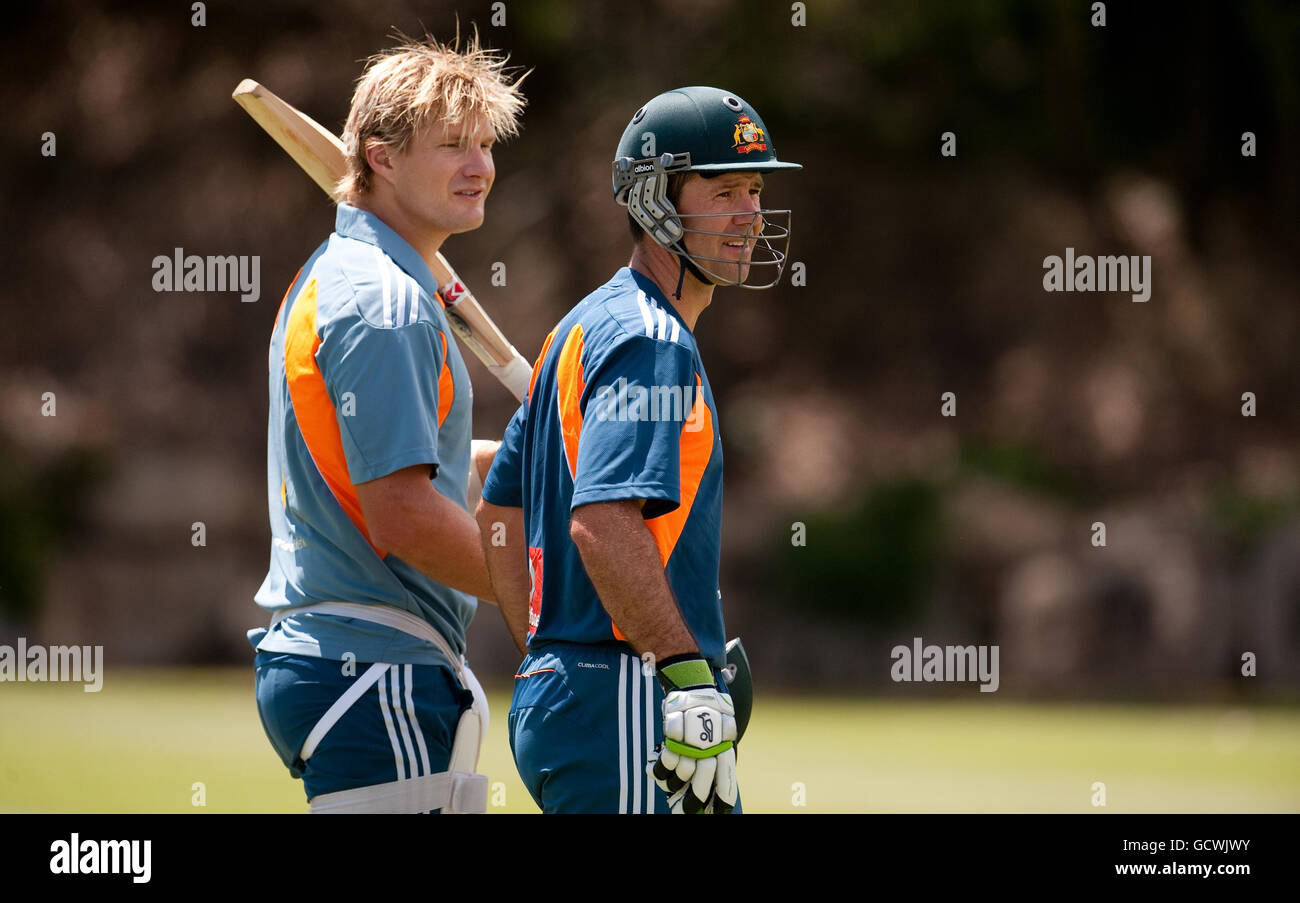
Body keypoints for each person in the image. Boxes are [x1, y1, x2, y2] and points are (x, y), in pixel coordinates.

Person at [476, 86, 799, 814]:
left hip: (588, 695)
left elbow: (500, 511)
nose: (750, 211)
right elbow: (604, 520)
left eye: (754, 188)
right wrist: (686, 672)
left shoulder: (583, 327)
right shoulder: (650, 340)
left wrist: (545, 651)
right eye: (724, 190)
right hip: (629, 696)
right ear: (655, 200)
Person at [248, 33, 526, 813]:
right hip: (375, 667)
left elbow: (402, 462)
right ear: (380, 157)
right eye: (452, 146)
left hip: (351, 660)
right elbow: (402, 514)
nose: (480, 167)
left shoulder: (339, 277)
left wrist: (526, 458)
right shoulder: (386, 305)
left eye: (485, 145)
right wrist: (548, 591)